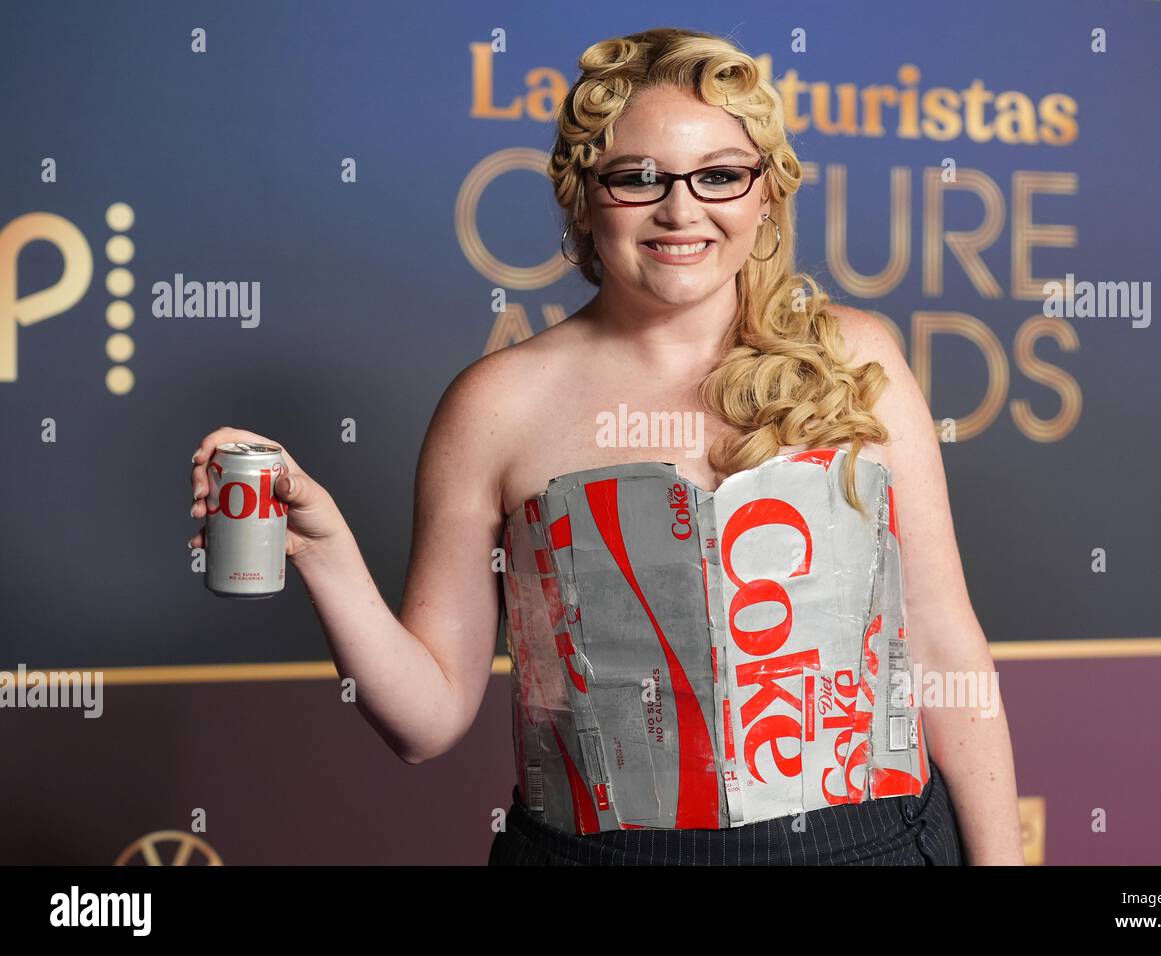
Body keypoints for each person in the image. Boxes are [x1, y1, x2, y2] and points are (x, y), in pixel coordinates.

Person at [187, 28, 1022, 865]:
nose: (681, 210)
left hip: (871, 847)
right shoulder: (494, 407)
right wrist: (325, 550)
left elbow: (948, 645)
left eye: (721, 176)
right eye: (637, 178)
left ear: (765, 195)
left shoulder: (858, 357)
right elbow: (427, 721)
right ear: (583, 198)